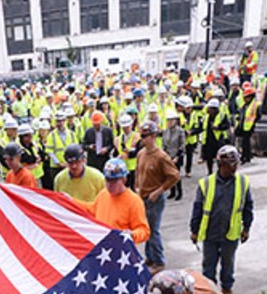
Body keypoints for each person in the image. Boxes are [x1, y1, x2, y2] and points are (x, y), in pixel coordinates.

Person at [189, 145, 253, 294]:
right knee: (208, 264)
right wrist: (194, 230)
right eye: (233, 164)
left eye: (236, 163)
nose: (235, 167)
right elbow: (197, 208)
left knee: (228, 263)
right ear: (222, 164)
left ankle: (226, 287)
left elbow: (248, 206)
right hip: (210, 232)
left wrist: (246, 228)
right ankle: (209, 290)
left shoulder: (242, 182)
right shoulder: (206, 183)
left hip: (230, 232)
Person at [135, 121, 180, 273]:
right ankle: (150, 257)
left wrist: (159, 191)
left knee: (153, 230)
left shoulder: (161, 156)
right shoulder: (141, 154)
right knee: (147, 229)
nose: (143, 139)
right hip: (143, 197)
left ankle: (159, 261)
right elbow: (138, 172)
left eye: (145, 136)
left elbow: (174, 176)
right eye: (142, 136)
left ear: (153, 136)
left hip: (154, 198)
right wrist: (137, 188)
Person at [75, 158, 149, 244]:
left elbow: (144, 230)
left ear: (124, 180)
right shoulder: (103, 194)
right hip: (102, 246)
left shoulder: (134, 201)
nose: (109, 185)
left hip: (119, 248)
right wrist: (70, 201)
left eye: (114, 181)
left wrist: (132, 234)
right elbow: (92, 210)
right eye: (107, 180)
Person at [162, 110, 186, 200]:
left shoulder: (180, 131)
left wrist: (177, 157)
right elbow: (164, 144)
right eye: (168, 120)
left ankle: (179, 192)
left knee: (176, 174)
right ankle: (172, 192)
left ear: (175, 120)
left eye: (171, 120)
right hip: (168, 155)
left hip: (177, 155)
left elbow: (182, 145)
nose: (170, 122)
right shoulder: (166, 131)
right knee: (169, 174)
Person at [237, 85, 260, 165]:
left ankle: (246, 157)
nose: (245, 99)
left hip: (249, 127)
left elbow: (257, 116)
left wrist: (253, 124)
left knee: (246, 143)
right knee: (244, 142)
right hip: (244, 126)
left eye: (247, 97)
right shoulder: (245, 105)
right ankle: (245, 156)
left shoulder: (255, 105)